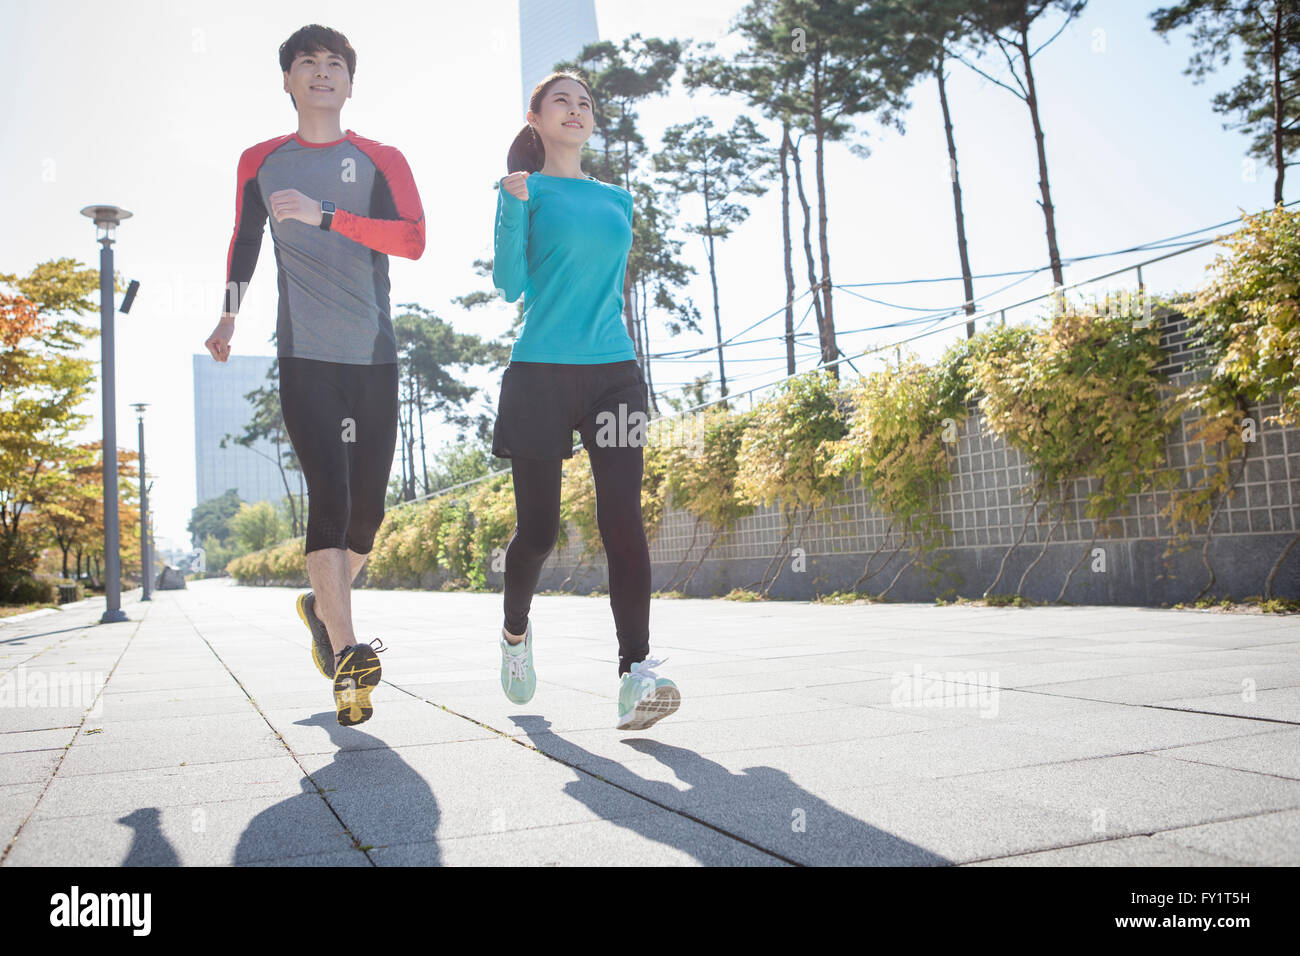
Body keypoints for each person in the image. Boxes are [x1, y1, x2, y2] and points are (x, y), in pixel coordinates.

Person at [203, 24, 425, 726]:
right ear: (289, 81)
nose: (322, 72)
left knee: (368, 515)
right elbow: (244, 242)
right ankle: (348, 650)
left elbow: (413, 239)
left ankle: (319, 606)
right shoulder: (261, 160)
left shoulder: (381, 158)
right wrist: (229, 318)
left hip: (375, 355)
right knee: (328, 492)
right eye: (308, 63)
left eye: (335, 64)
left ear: (350, 83)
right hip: (303, 359)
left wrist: (328, 215)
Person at [492, 71, 680, 731]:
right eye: (561, 102)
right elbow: (510, 285)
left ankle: (636, 673)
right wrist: (514, 205)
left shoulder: (618, 199)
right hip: (540, 373)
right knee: (538, 532)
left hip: (613, 372)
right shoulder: (523, 190)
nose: (576, 111)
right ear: (536, 117)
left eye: (585, 103)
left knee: (622, 518)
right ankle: (515, 635)